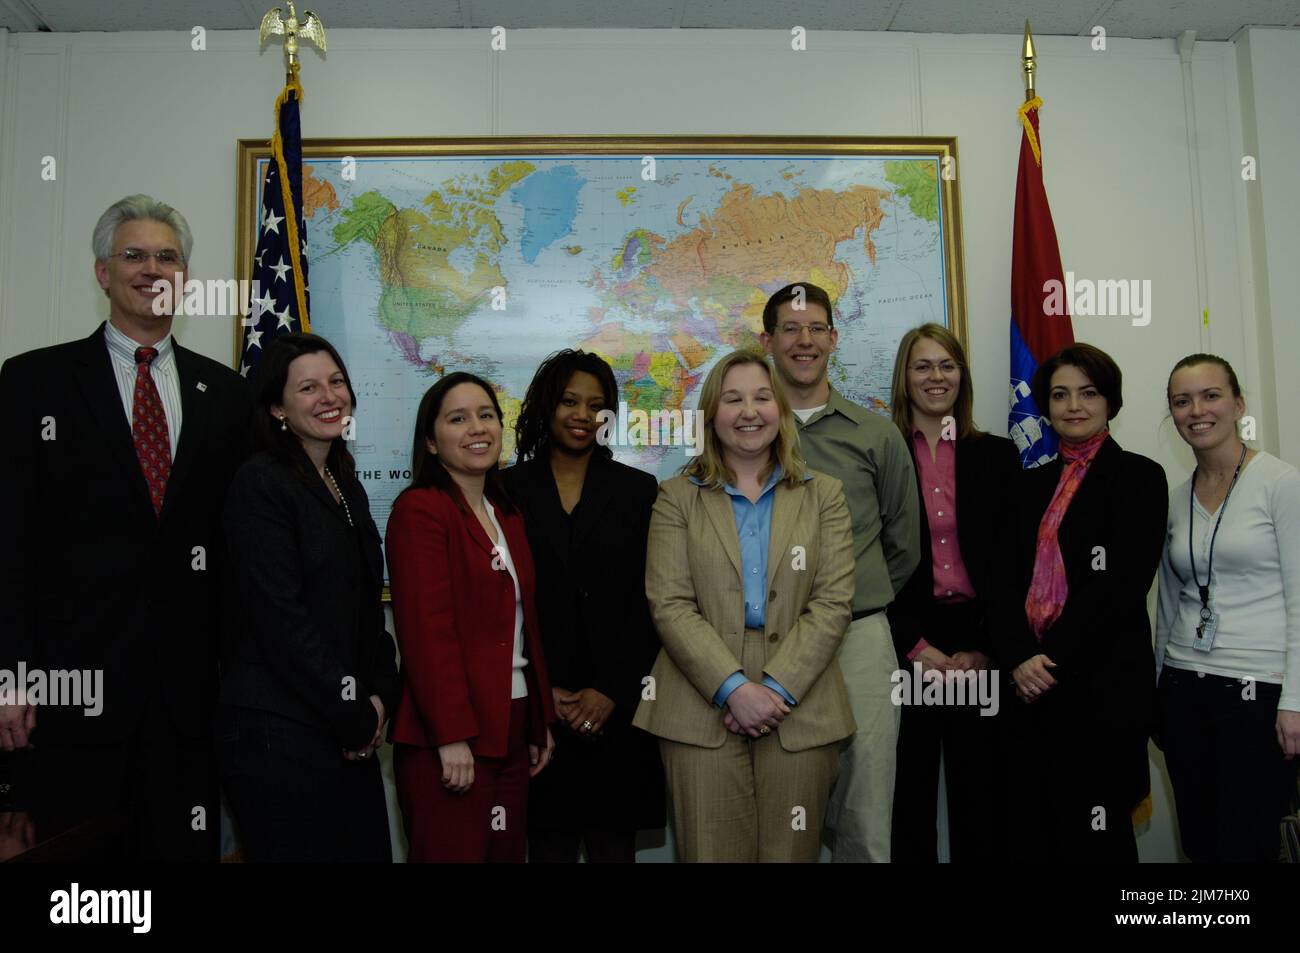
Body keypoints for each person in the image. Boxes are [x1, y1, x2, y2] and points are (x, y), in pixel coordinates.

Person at [0, 195, 250, 860]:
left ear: (185, 278)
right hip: (70, 697)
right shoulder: (33, 383)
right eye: (133, 254)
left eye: (167, 256)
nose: (151, 267)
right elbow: (10, 545)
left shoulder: (227, 396)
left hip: (189, 702)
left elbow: (238, 551)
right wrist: (11, 676)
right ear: (102, 273)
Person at [633, 349, 855, 862]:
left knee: (791, 853)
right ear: (712, 414)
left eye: (762, 397)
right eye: (733, 399)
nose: (749, 411)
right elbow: (669, 602)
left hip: (800, 698)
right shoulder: (675, 497)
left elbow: (833, 602)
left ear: (781, 409)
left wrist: (773, 691)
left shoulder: (826, 496)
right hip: (698, 699)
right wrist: (734, 690)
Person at [218, 333, 398, 862]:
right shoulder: (261, 483)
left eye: (337, 382)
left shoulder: (344, 479)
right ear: (277, 406)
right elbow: (282, 619)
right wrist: (353, 711)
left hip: (344, 722)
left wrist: (382, 694)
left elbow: (365, 606)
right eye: (309, 387)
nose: (329, 397)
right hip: (278, 731)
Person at [759, 282, 920, 862]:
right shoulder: (745, 431)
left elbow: (903, 545)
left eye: (815, 328)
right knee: (780, 811)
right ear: (767, 341)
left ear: (833, 337)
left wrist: (855, 597)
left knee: (865, 809)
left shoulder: (877, 435)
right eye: (790, 329)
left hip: (857, 637)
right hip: (767, 643)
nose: (804, 341)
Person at [994, 342, 1167, 862]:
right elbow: (1002, 582)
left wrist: (1047, 664)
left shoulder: (1139, 477)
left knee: (1099, 837)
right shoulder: (1027, 485)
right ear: (1044, 407)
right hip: (1029, 692)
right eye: (1060, 394)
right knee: (1041, 834)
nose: (1073, 406)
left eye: (1088, 393)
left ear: (1110, 401)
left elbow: (1119, 589)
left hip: (1100, 689)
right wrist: (1019, 656)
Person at [501, 350, 665, 862]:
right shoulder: (506, 489)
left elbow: (653, 602)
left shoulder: (638, 490)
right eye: (570, 401)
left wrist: (611, 691)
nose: (582, 415)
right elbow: (503, 605)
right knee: (547, 845)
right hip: (539, 708)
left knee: (614, 847)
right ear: (547, 406)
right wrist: (543, 692)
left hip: (616, 711)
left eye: (596, 405)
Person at [386, 372, 556, 862]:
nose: (476, 428)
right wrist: (451, 735)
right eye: (457, 419)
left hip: (513, 722)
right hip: (451, 733)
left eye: (486, 415)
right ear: (431, 442)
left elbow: (528, 627)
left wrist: (538, 718)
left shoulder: (507, 513)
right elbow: (426, 634)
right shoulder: (421, 511)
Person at [1155, 354, 1300, 862]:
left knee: (1248, 845)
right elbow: (1168, 604)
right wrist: (1158, 689)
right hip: (1183, 687)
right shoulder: (1174, 498)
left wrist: (1295, 701)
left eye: (1211, 395)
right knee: (1199, 843)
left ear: (1238, 404)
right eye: (1182, 400)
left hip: (1257, 691)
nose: (1197, 410)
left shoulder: (1282, 484)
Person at [886, 323, 1019, 862]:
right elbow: (866, 560)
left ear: (962, 375)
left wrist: (986, 647)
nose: (936, 376)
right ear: (905, 377)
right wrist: (915, 649)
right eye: (923, 366)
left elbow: (1016, 565)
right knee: (907, 796)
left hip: (980, 642)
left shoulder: (997, 457)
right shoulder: (883, 452)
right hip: (905, 642)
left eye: (947, 365)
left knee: (981, 796)